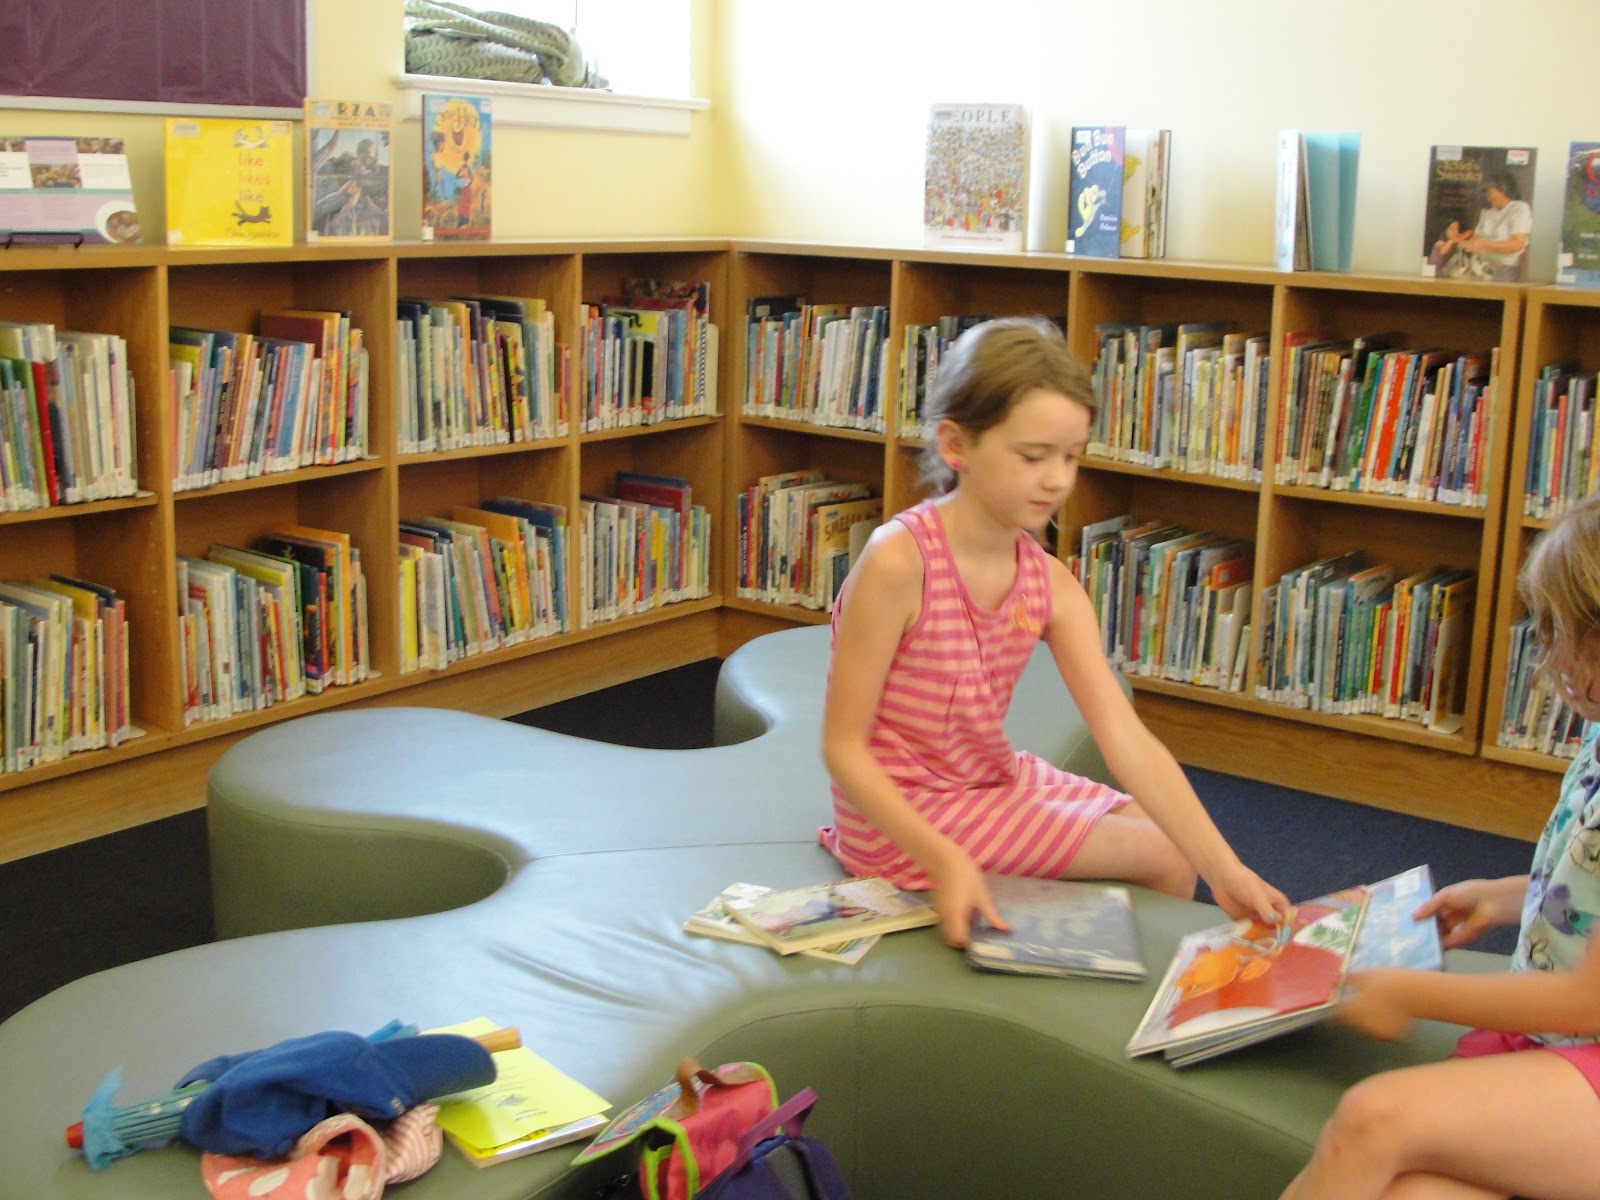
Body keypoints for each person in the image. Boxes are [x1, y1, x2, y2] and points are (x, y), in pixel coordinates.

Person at [820, 316, 1288, 948]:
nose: (1058, 480)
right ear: (956, 444)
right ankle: (1115, 992)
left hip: (989, 780)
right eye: (1033, 456)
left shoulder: (1049, 583)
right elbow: (844, 747)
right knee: (1167, 858)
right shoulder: (900, 560)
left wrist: (1225, 867)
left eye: (1071, 457)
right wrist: (944, 858)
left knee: (1175, 833)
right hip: (902, 815)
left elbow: (1125, 737)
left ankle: (1104, 952)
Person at [1279, 492, 1600, 1200]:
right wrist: (1507, 896)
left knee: (1371, 1118)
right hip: (1563, 1047)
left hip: (1585, 1042)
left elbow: (1588, 1000)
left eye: (1556, 635)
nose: (1543, 660)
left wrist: (1408, 992)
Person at [1457, 173, 1533, 282]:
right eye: (1485, 189)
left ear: (1502, 189)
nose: (1486, 192)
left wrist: (1484, 244)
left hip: (1505, 267)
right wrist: (1464, 242)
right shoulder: (1486, 212)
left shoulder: (1519, 208)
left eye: (1489, 188)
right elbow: (1476, 239)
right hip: (1479, 265)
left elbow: (1517, 244)